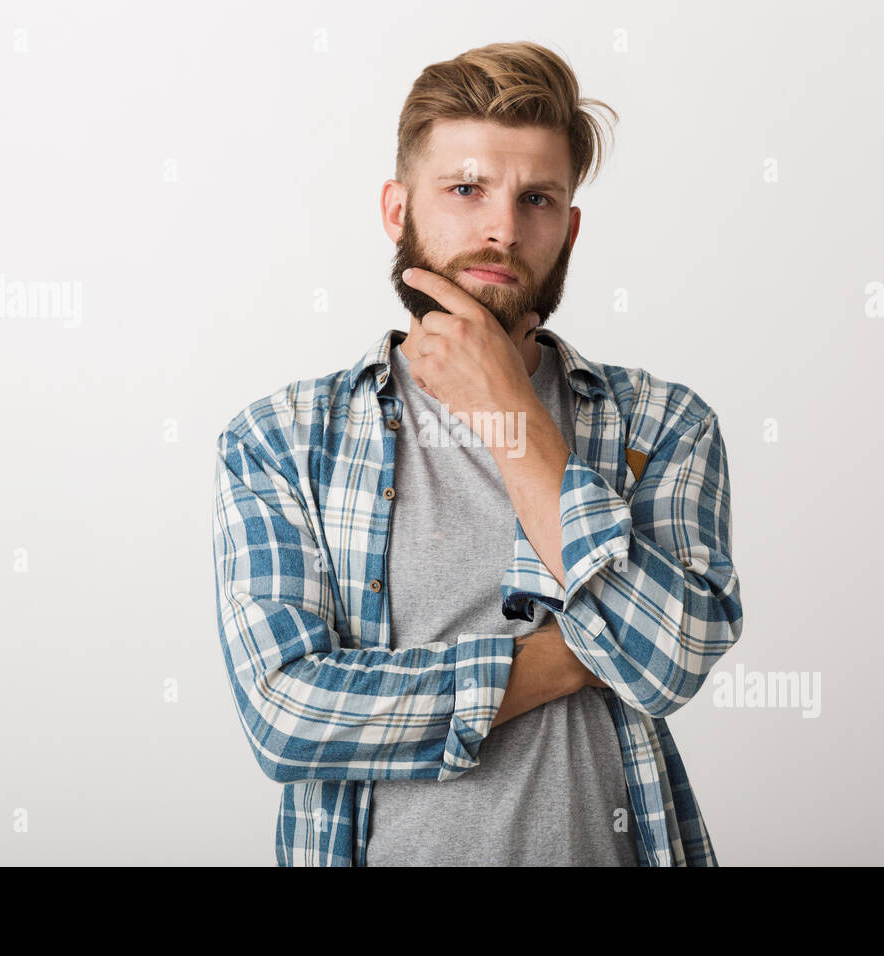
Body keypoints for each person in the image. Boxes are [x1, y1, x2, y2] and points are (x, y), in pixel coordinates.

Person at [211, 40, 743, 866]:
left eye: (536, 199)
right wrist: (569, 658)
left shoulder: (663, 425)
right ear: (398, 210)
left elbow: (668, 665)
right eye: (466, 189)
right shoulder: (280, 440)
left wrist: (509, 413)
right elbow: (288, 718)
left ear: (567, 229)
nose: (502, 228)